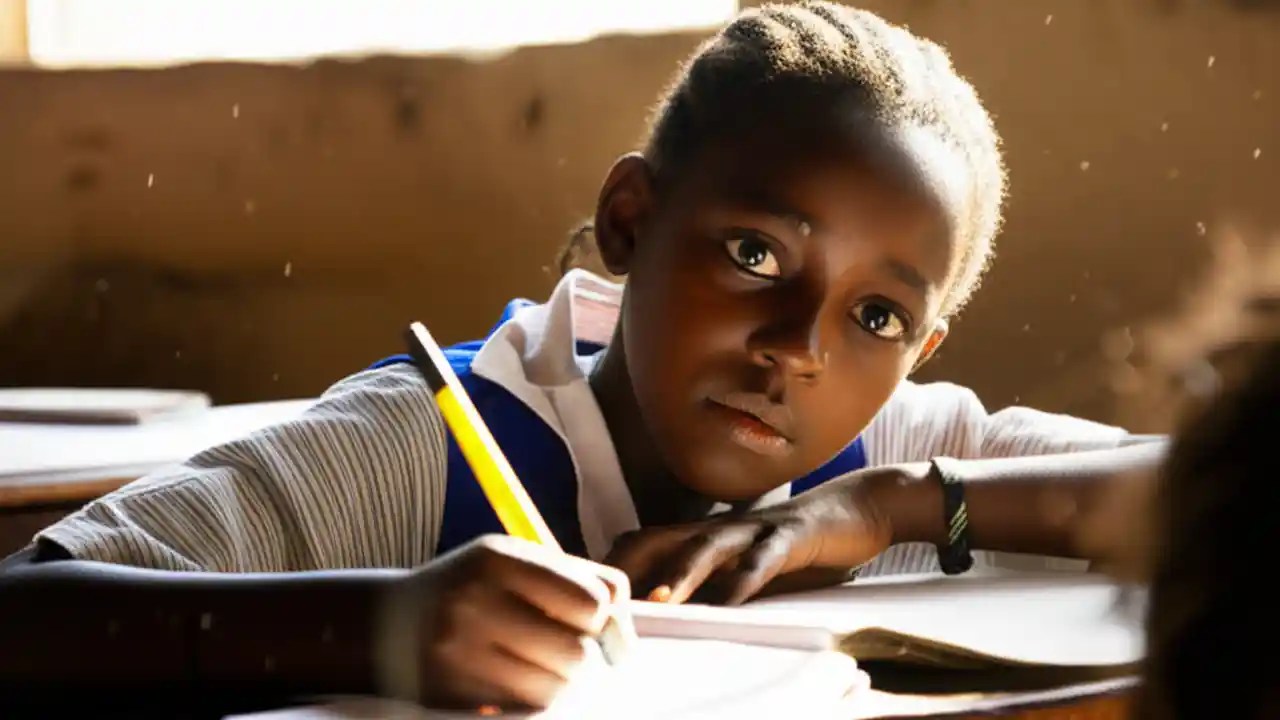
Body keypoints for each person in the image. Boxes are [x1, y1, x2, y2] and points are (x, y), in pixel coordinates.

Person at [0, 2, 1161, 715]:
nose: (796, 351)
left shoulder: (900, 446)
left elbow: (1223, 487)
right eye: (755, 255)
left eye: (876, 319)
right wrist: (381, 626)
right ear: (629, 223)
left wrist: (892, 505)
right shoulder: (423, 445)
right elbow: (27, 613)